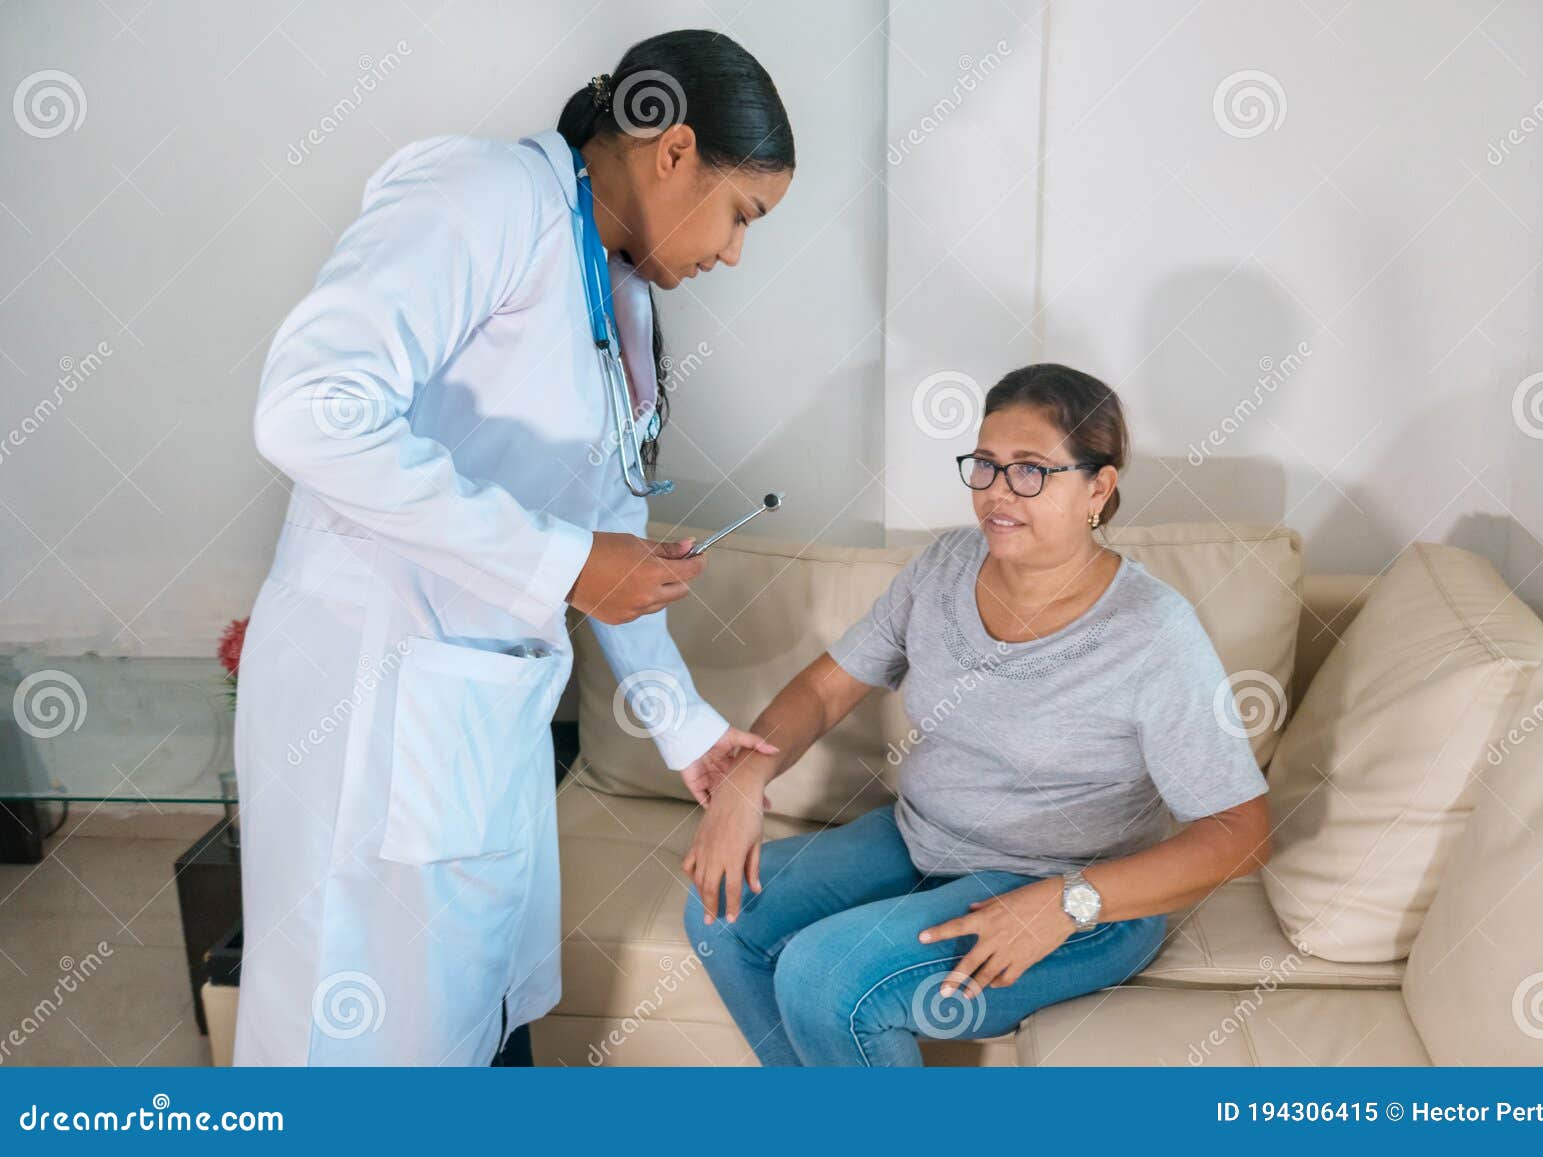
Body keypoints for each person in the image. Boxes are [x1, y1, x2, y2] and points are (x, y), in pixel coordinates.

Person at [232, 29, 795, 1066]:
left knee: (475, 1021)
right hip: (371, 699)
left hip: (475, 721)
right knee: (360, 1038)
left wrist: (688, 732)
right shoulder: (484, 195)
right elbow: (311, 411)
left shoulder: (616, 294)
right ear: (672, 151)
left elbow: (608, 541)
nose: (731, 252)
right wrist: (567, 564)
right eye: (741, 215)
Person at [682, 363, 1272, 1066]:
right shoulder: (945, 565)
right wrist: (747, 779)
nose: (998, 492)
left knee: (824, 977)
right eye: (985, 466)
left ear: (1099, 487)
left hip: (1073, 893)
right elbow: (824, 690)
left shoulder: (1152, 631)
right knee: (719, 912)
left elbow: (1241, 833)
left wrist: (1066, 901)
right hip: (921, 839)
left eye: (1030, 471)